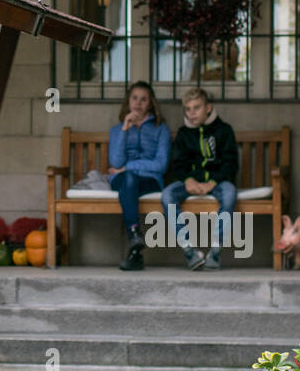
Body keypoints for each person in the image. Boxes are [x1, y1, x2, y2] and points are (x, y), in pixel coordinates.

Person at [90, 82, 172, 272]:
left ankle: (135, 243)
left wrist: (129, 167)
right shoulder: (117, 130)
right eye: (134, 98)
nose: (138, 103)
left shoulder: (161, 129)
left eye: (144, 99)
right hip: (123, 180)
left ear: (150, 103)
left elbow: (161, 165)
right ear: (128, 101)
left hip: (150, 181)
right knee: (128, 179)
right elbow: (115, 162)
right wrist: (125, 130)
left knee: (130, 179)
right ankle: (135, 237)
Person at [161, 88, 238, 270]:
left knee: (230, 193)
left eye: (196, 108)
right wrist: (188, 180)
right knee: (167, 195)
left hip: (217, 182)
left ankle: (215, 252)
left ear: (208, 108)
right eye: (188, 109)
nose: (192, 113)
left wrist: (212, 182)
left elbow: (231, 163)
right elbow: (178, 164)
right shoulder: (183, 133)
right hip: (191, 183)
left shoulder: (224, 130)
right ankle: (190, 251)